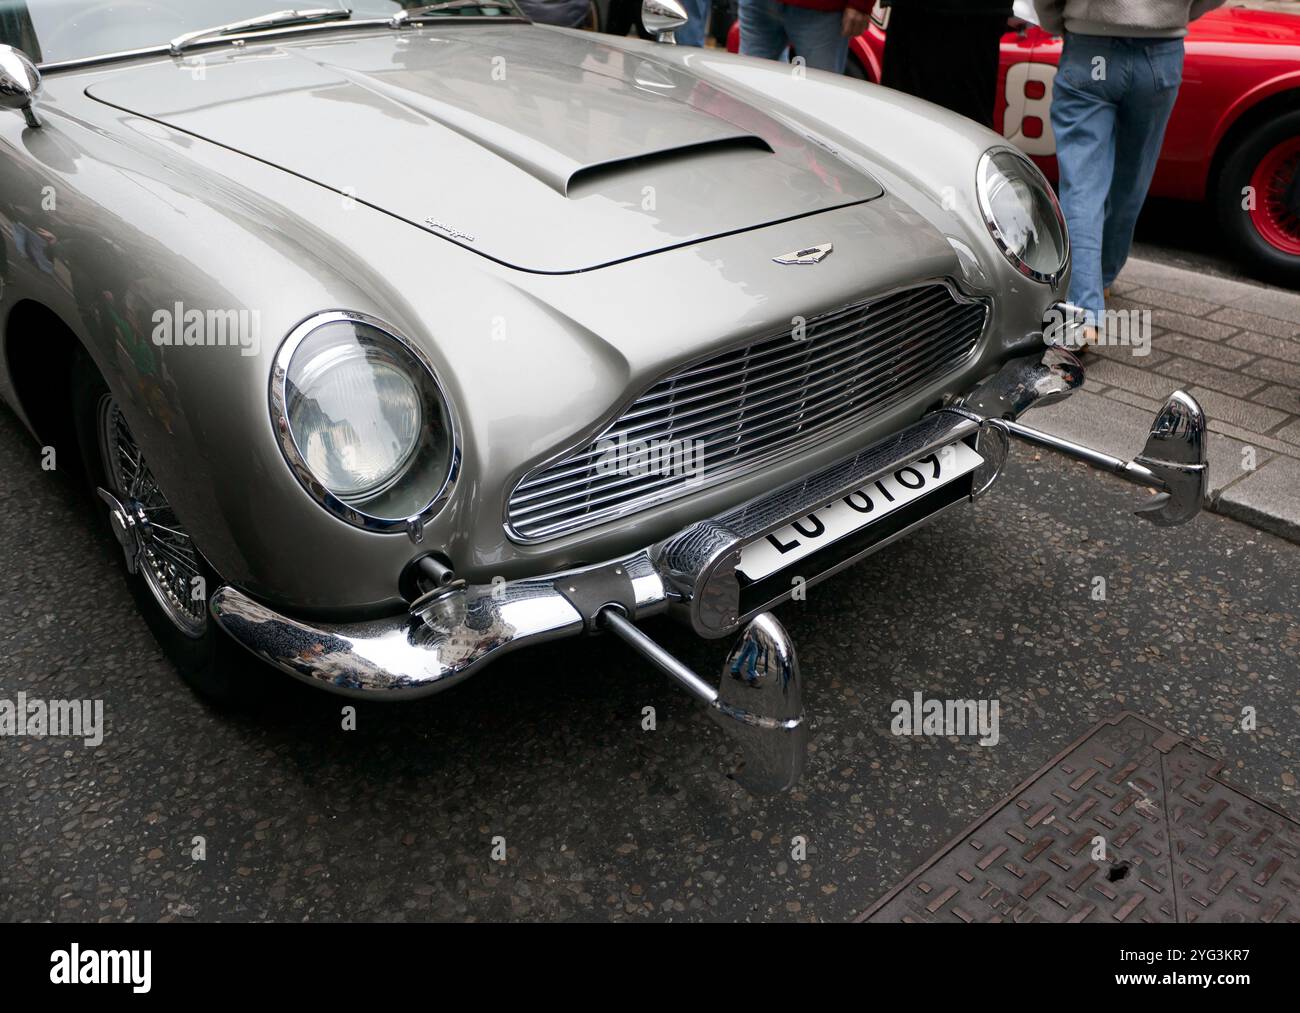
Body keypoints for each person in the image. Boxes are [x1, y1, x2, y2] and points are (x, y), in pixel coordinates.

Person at [1039, 0, 1225, 338]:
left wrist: (1056, 21)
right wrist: (1175, 13)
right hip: (1161, 48)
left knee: (1082, 182)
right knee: (1133, 176)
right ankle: (1104, 276)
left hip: (1089, 43)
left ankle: (1082, 311)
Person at [879, 1, 1013, 129]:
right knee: (967, 123)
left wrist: (862, 5)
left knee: (904, 115)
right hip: (979, 15)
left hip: (923, 15)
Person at [738, 0, 873, 75]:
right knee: (749, 84)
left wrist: (861, 4)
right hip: (757, 5)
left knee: (821, 95)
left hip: (822, 10)